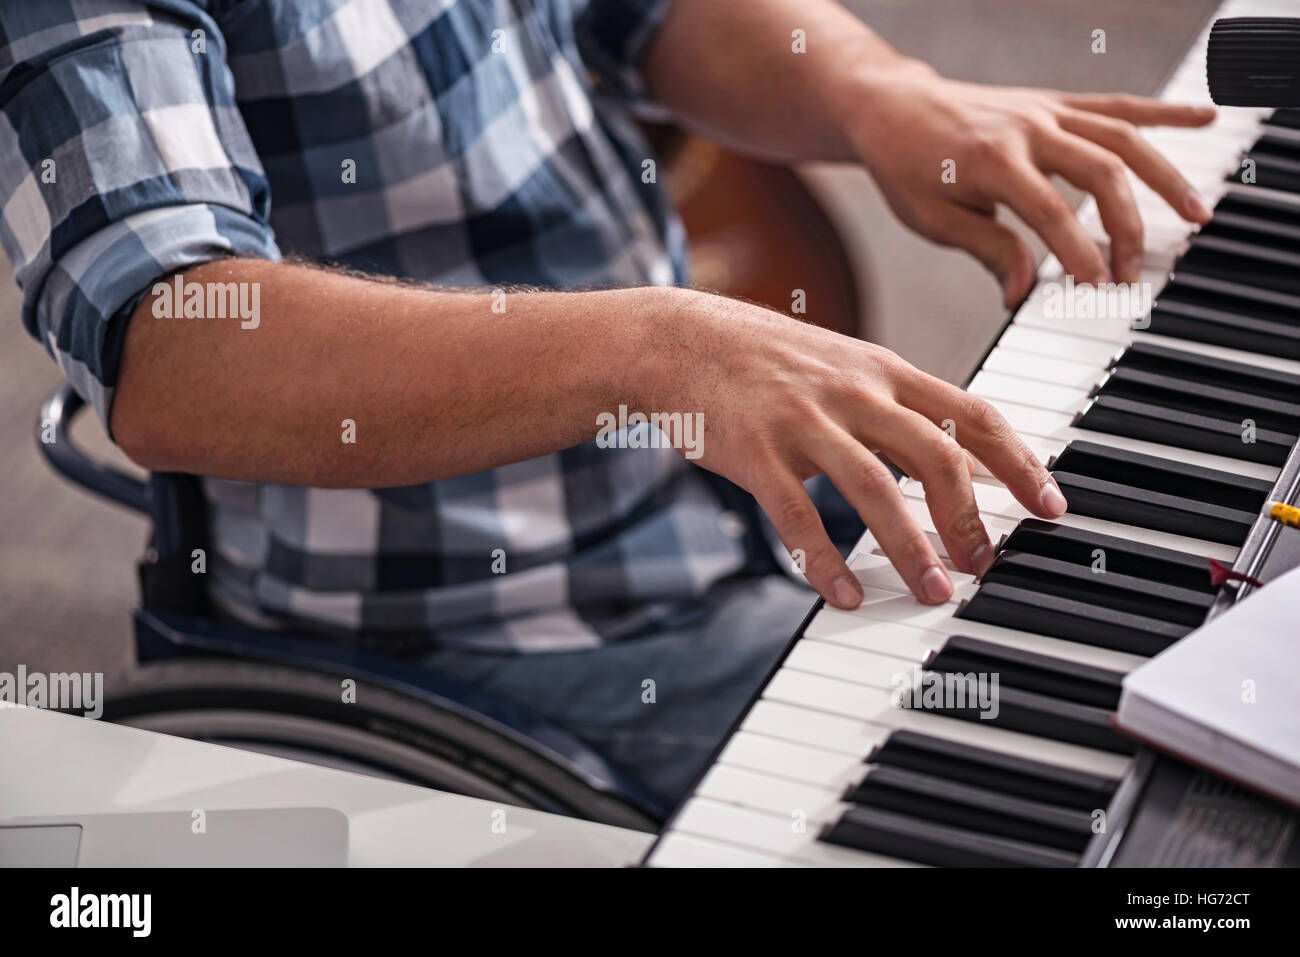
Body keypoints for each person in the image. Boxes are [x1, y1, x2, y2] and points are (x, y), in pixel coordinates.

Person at [0, 0, 1214, 806]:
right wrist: (655, 348)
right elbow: (174, 344)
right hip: (472, 639)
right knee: (1095, 774)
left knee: (1177, 592)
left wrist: (870, 88)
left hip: (708, 503)